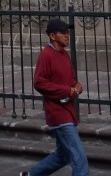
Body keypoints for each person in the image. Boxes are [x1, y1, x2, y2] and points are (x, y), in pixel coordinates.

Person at [21, 19, 88, 176]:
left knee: (63, 155)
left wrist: (77, 86)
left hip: (68, 110)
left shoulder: (64, 55)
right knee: (78, 156)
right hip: (58, 113)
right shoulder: (46, 55)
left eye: (67, 32)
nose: (67, 35)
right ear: (52, 36)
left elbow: (70, 79)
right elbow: (39, 83)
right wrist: (66, 90)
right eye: (63, 32)